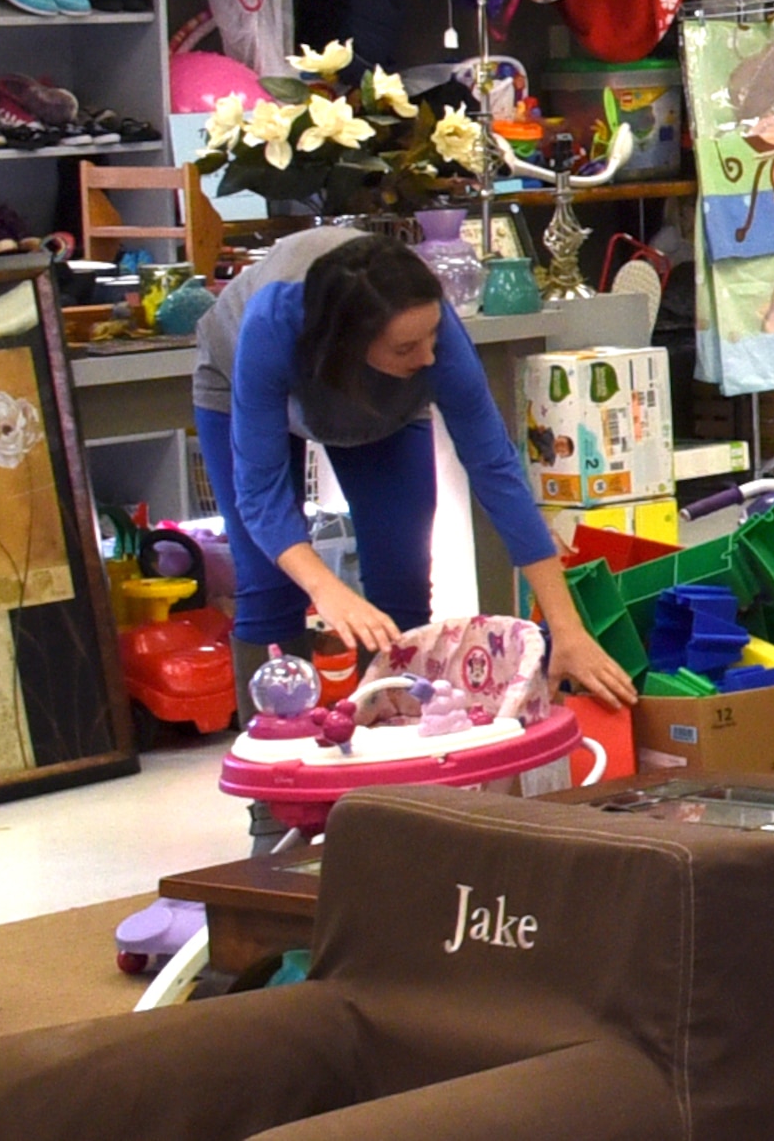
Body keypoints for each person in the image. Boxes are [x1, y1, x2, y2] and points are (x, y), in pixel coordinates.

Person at [193, 229, 637, 845]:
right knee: (271, 591)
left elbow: (497, 471)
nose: (429, 356)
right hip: (241, 376)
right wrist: (328, 590)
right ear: (350, 344)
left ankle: (395, 793)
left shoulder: (429, 342)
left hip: (381, 404)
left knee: (400, 586)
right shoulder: (272, 325)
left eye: (433, 337)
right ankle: (279, 812)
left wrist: (566, 629)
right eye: (408, 346)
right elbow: (261, 497)